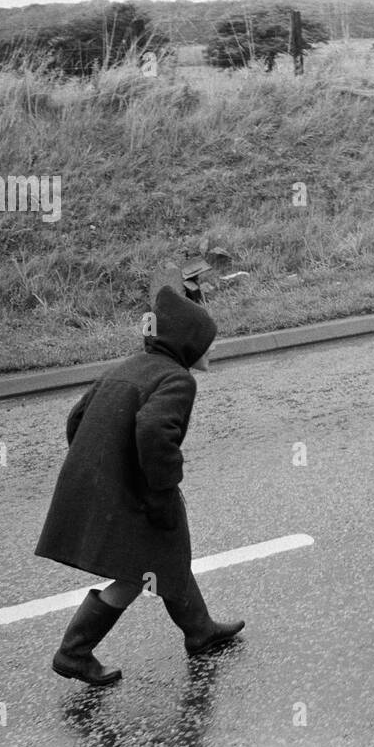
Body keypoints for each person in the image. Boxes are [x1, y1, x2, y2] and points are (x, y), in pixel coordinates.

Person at [35, 284, 244, 684]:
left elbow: (77, 419)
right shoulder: (178, 380)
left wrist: (102, 465)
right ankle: (74, 652)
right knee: (136, 573)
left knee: (166, 553)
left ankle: (200, 630)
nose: (213, 349)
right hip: (141, 490)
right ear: (188, 344)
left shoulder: (128, 367)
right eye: (208, 343)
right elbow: (153, 431)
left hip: (108, 484)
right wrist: (161, 489)